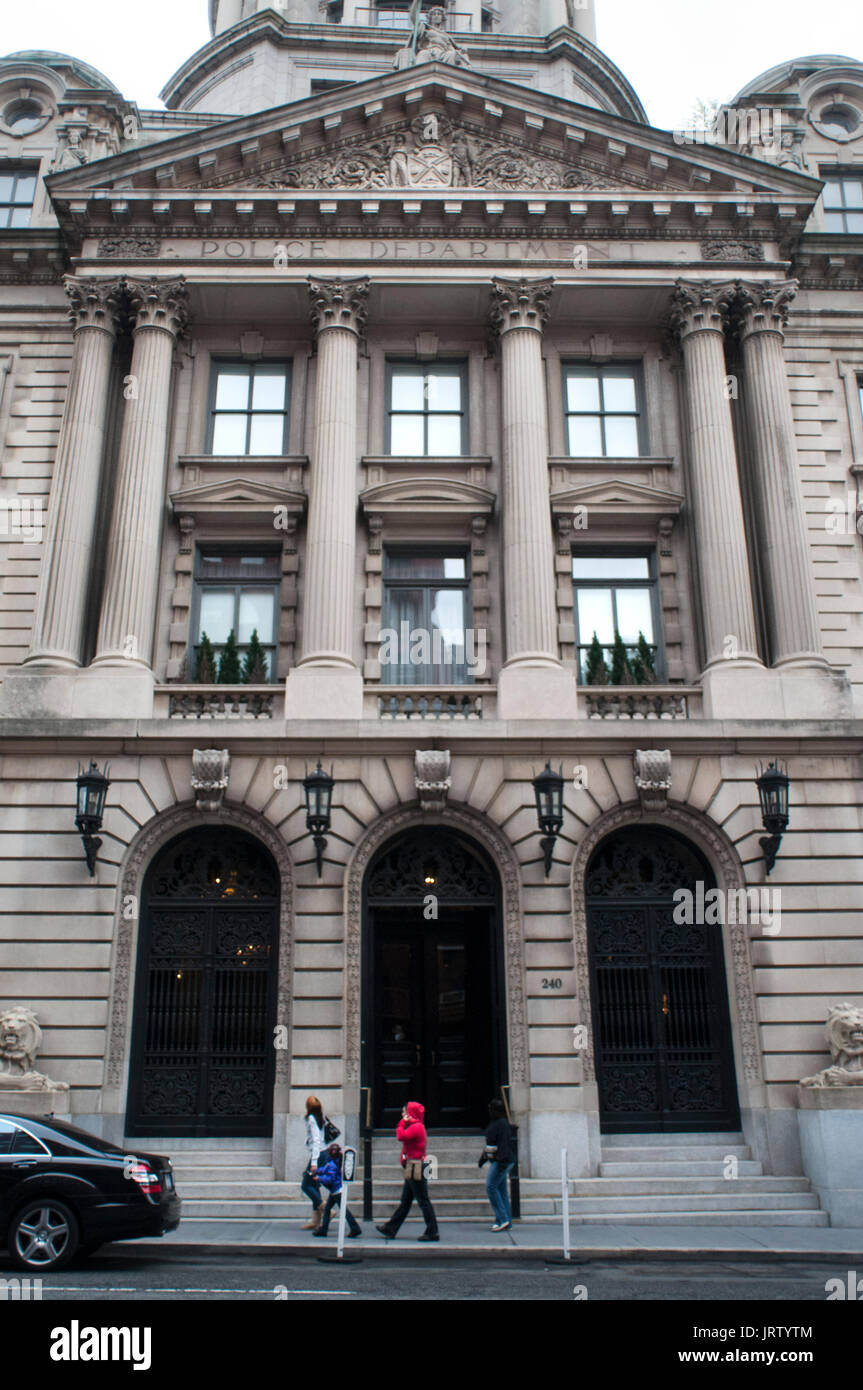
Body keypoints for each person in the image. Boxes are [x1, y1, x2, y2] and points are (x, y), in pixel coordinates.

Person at [376, 1100, 439, 1241]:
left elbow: (401, 1136)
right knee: (406, 1200)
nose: (402, 1114)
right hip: (413, 1166)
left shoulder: (416, 1127)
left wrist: (401, 1123)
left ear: (410, 1113)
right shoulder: (417, 1126)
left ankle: (432, 1230)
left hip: (416, 1166)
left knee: (423, 1200)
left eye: (404, 1112)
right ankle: (390, 1227)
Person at [480, 1098, 516, 1231]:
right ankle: (506, 1220)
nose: (489, 1111)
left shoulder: (502, 1124)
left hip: (501, 1161)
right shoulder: (497, 1122)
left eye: (491, 1109)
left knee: (491, 1187)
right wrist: (483, 1158)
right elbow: (491, 1144)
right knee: (501, 1191)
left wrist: (500, 1163)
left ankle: (502, 1219)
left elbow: (504, 1145)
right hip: (500, 1160)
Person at [312, 1143, 361, 1238]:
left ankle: (355, 1228)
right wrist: (317, 1171)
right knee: (327, 1209)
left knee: (342, 1211)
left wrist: (319, 1178)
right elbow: (326, 1170)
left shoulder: (332, 1164)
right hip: (336, 1190)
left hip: (336, 1191)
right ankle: (324, 1229)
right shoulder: (336, 1162)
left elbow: (330, 1179)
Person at [301, 1094, 327, 1231]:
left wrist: (314, 1162)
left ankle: (324, 1207)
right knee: (314, 1185)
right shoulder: (321, 1117)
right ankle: (316, 1221)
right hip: (323, 1153)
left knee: (305, 1185)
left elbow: (317, 1140)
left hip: (318, 1155)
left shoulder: (311, 1119)